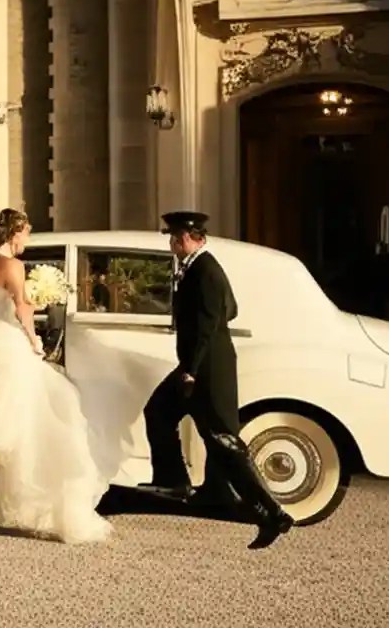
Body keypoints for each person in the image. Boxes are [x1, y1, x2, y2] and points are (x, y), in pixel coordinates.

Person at [0, 208, 127, 544]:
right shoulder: (13, 265)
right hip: (12, 345)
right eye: (26, 233)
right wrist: (35, 338)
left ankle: (23, 503)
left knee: (21, 431)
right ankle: (51, 504)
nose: (28, 239)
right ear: (14, 233)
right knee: (51, 416)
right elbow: (21, 308)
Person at [140, 210, 295, 549]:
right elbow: (230, 309)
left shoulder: (206, 270)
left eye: (177, 238)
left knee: (224, 442)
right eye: (173, 237)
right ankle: (176, 482)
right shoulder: (196, 268)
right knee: (159, 413)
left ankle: (272, 512)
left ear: (192, 239)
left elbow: (210, 324)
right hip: (199, 364)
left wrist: (192, 369)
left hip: (207, 369)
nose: (173, 243)